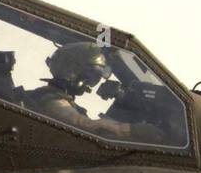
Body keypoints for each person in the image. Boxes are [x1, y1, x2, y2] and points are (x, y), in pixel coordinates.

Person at [21, 41, 158, 142]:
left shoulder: (57, 97)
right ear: (73, 69)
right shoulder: (52, 99)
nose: (92, 83)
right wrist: (134, 130)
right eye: (92, 75)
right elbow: (84, 125)